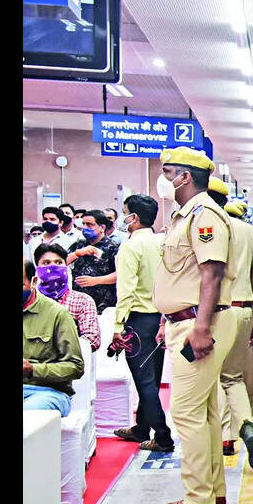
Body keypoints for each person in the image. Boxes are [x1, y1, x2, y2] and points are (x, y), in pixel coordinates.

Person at [153, 147, 239, 504]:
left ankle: (198, 499)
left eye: (168, 172)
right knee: (203, 411)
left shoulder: (204, 216)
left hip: (198, 324)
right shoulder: (185, 216)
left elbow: (211, 273)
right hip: (186, 321)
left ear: (185, 177)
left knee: (185, 412)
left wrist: (201, 328)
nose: (164, 179)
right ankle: (211, 491)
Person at [111, 194, 175, 452]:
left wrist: (118, 326)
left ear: (134, 217)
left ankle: (162, 436)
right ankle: (140, 428)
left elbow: (125, 290)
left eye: (124, 211)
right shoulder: (162, 242)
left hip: (138, 320)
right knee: (152, 377)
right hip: (160, 319)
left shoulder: (130, 247)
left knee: (144, 381)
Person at [215, 195, 253, 469]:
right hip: (244, 310)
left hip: (216, 312)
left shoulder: (209, 227)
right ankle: (247, 425)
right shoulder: (251, 233)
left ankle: (225, 437)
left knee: (215, 378)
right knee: (234, 378)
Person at [24, 259, 85, 415]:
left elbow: (75, 367)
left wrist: (33, 370)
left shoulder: (57, 314)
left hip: (47, 392)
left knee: (28, 414)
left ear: (34, 282)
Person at [34, 244, 101, 352]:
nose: (53, 267)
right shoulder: (30, 300)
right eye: (46, 263)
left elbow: (92, 340)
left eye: (58, 262)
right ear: (37, 268)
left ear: (66, 266)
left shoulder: (82, 301)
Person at [66, 210, 120, 312]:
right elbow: (61, 262)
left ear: (102, 227)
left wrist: (96, 280)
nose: (85, 228)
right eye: (83, 224)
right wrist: (77, 253)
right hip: (78, 302)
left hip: (103, 304)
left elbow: (120, 274)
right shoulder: (79, 244)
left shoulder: (113, 247)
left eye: (90, 224)